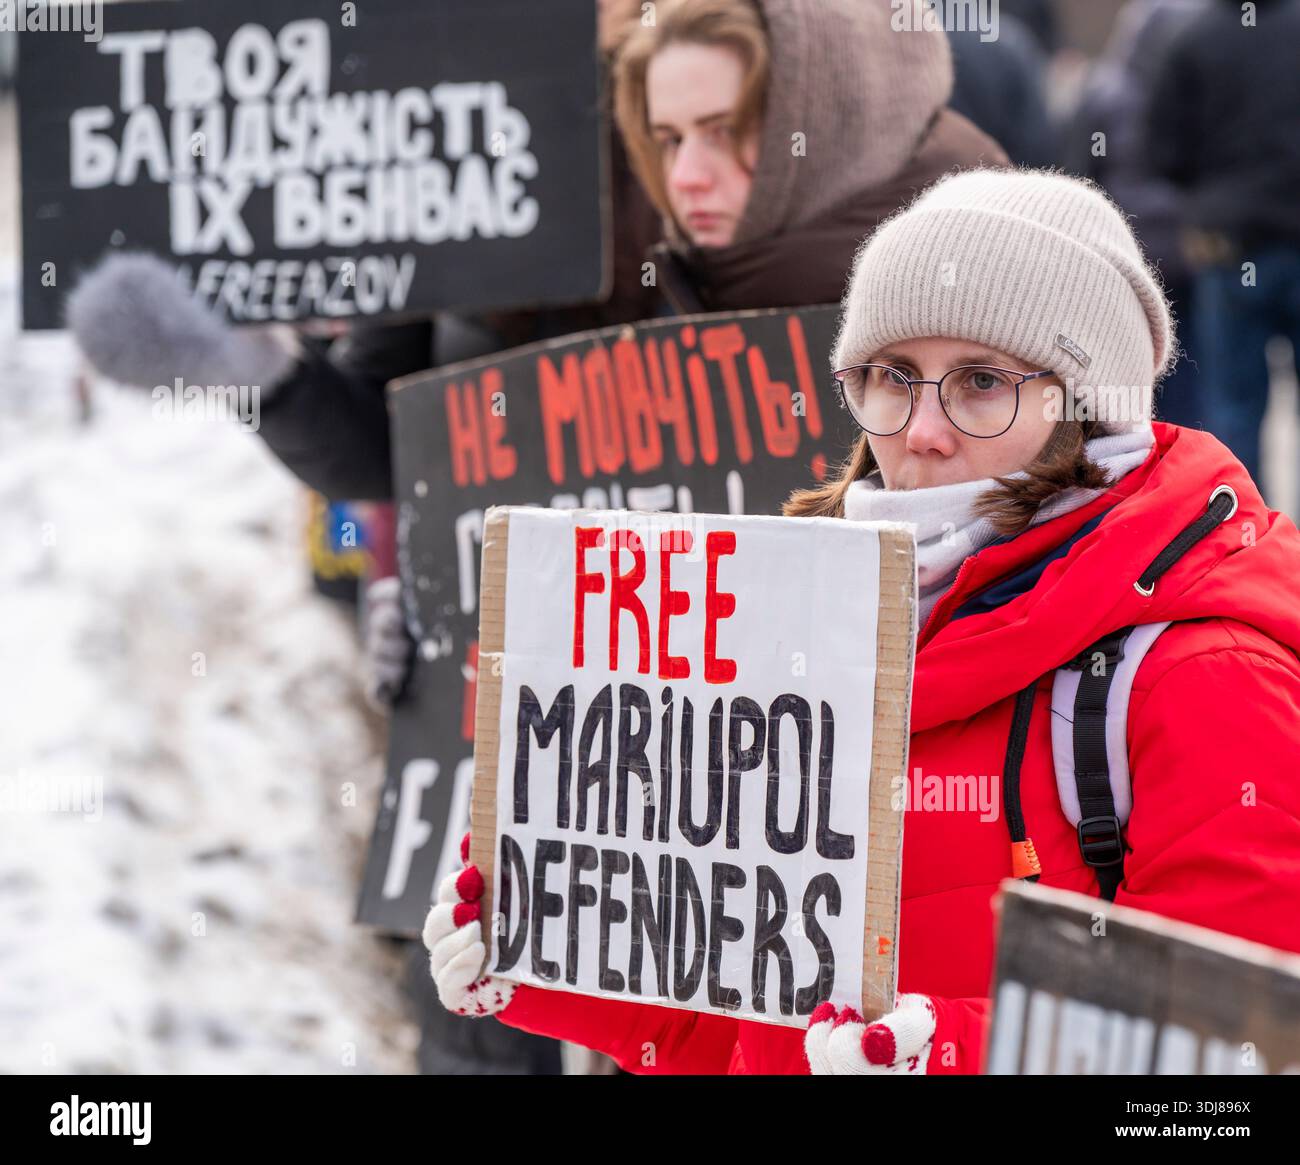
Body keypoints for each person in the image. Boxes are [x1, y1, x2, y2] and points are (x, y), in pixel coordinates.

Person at [424, 167, 1300, 1074]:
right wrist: (544, 958)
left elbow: (1240, 1064)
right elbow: (747, 1035)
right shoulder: (797, 630)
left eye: (981, 381)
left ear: (1083, 407)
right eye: (893, 377)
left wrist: (948, 1056)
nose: (922, 429)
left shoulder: (1202, 670)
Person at [1143, 0, 1300, 485]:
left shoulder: (1193, 39)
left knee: (1233, 407)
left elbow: (1161, 150)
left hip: (1228, 245)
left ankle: (1246, 540)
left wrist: (1212, 196)